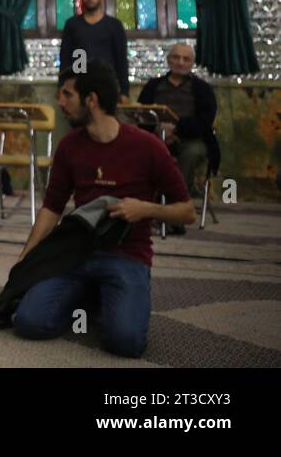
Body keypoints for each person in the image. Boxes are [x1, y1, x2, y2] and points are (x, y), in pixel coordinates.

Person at [11, 62, 193, 358]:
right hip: (77, 253)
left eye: (67, 95)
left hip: (127, 256)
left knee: (125, 342)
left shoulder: (148, 147)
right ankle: (89, 295)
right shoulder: (69, 146)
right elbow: (51, 209)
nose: (60, 103)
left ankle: (108, 295)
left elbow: (187, 212)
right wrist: (25, 260)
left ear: (91, 100)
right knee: (29, 322)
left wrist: (144, 208)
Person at [138, 43, 219, 232]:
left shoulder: (202, 89)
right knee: (137, 152)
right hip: (156, 139)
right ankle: (143, 210)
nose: (180, 62)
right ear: (168, 60)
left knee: (192, 153)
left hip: (191, 139)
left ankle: (175, 214)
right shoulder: (153, 86)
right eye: (176, 57)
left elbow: (205, 120)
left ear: (192, 63)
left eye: (186, 59)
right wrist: (158, 131)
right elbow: (141, 115)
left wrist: (177, 130)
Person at [59, 0, 130, 99]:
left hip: (107, 85)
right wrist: (61, 86)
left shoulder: (114, 25)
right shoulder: (72, 24)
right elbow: (65, 59)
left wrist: (124, 91)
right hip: (78, 85)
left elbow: (122, 60)